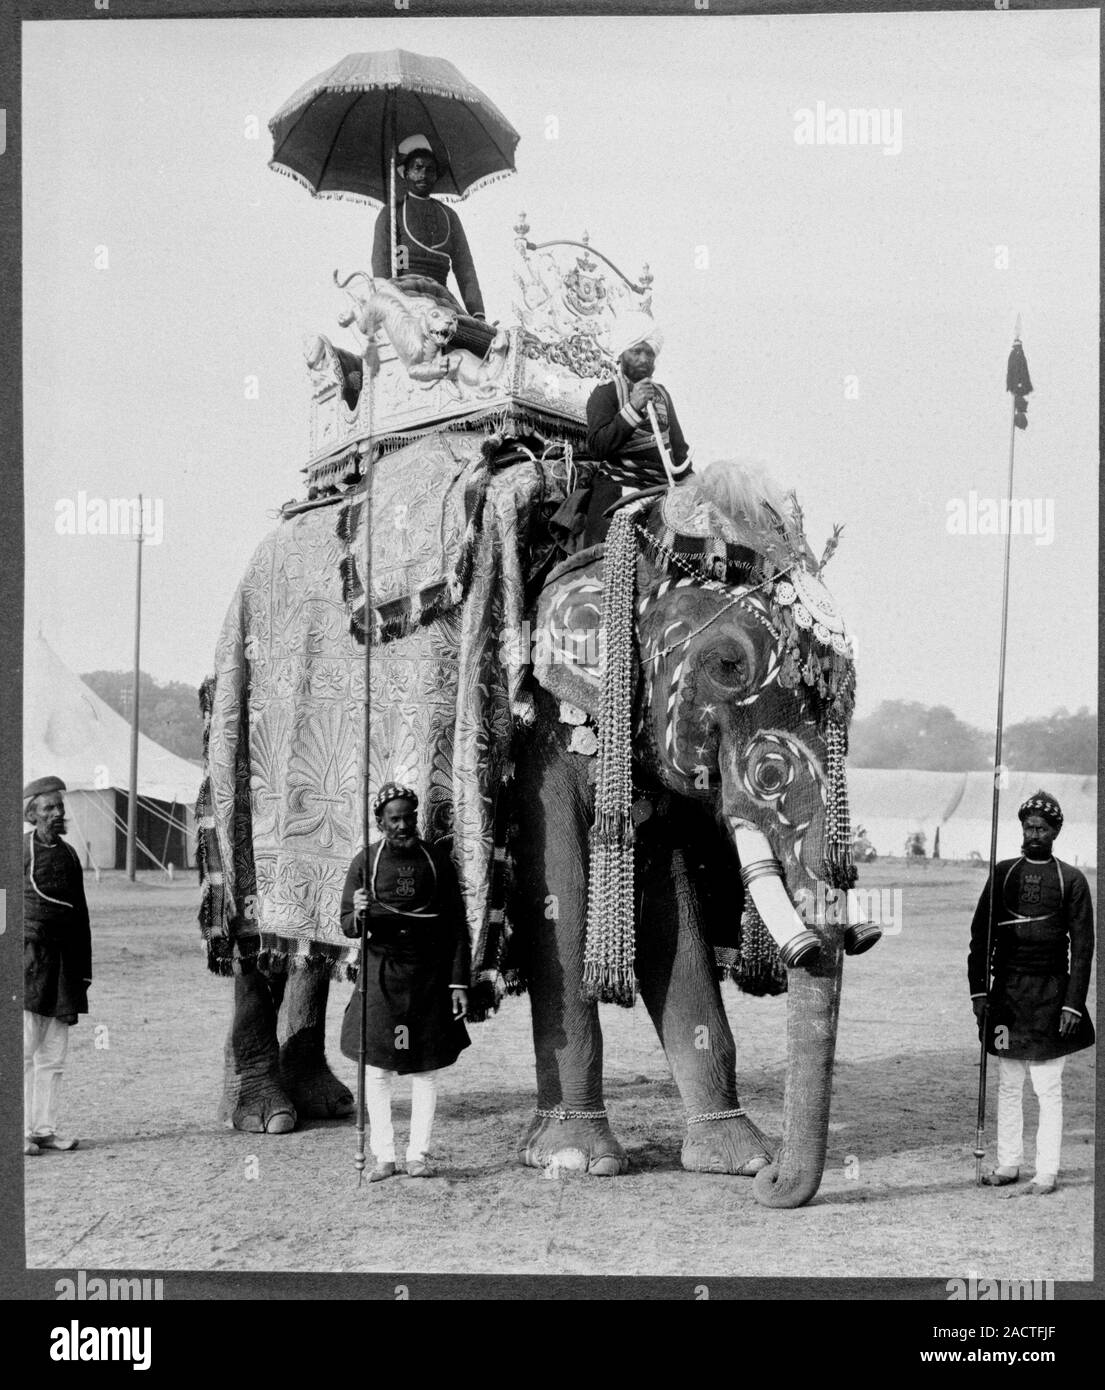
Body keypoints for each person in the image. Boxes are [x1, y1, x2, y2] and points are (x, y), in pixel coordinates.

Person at [339, 784, 470, 1181]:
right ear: (380, 822)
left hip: (428, 977)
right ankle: (384, 1156)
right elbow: (348, 926)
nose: (402, 825)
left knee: (424, 1070)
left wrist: (458, 983)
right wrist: (359, 912)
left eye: (408, 817)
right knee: (377, 1069)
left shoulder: (435, 861)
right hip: (381, 974)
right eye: (393, 819)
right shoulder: (365, 862)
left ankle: (418, 1154)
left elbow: (456, 927)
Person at [969, 790, 1095, 1195]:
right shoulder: (1004, 872)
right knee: (1009, 1082)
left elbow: (1084, 946)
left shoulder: (1072, 879)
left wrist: (1073, 1004)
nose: (1034, 833)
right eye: (1028, 826)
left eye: (1042, 828)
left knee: (1047, 1086)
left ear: (1055, 832)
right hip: (1006, 996)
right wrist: (979, 994)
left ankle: (1047, 1172)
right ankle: (1008, 1163)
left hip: (1051, 997)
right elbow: (980, 938)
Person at [573, 312, 691, 546]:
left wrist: (696, 486)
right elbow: (597, 447)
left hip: (661, 491)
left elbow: (678, 453)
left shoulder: (663, 395)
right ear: (622, 355)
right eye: (636, 351)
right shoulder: (604, 393)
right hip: (619, 489)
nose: (644, 359)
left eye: (649, 353)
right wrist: (634, 408)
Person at [23, 776, 92, 1156]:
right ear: (32, 813)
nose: (57, 813)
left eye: (60, 806)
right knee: (21, 1050)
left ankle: (43, 1129)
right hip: (28, 961)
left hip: (64, 965)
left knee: (52, 1055)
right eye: (49, 807)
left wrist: (83, 973)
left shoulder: (68, 855)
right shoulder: (17, 850)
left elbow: (80, 915)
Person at [372, 134, 486, 319]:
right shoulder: (391, 213)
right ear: (405, 172)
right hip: (403, 300)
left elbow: (465, 269)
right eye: (417, 168)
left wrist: (478, 313)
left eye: (430, 170)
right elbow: (380, 267)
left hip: (443, 301)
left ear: (436, 176)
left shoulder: (449, 216)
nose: (423, 174)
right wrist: (390, 304)